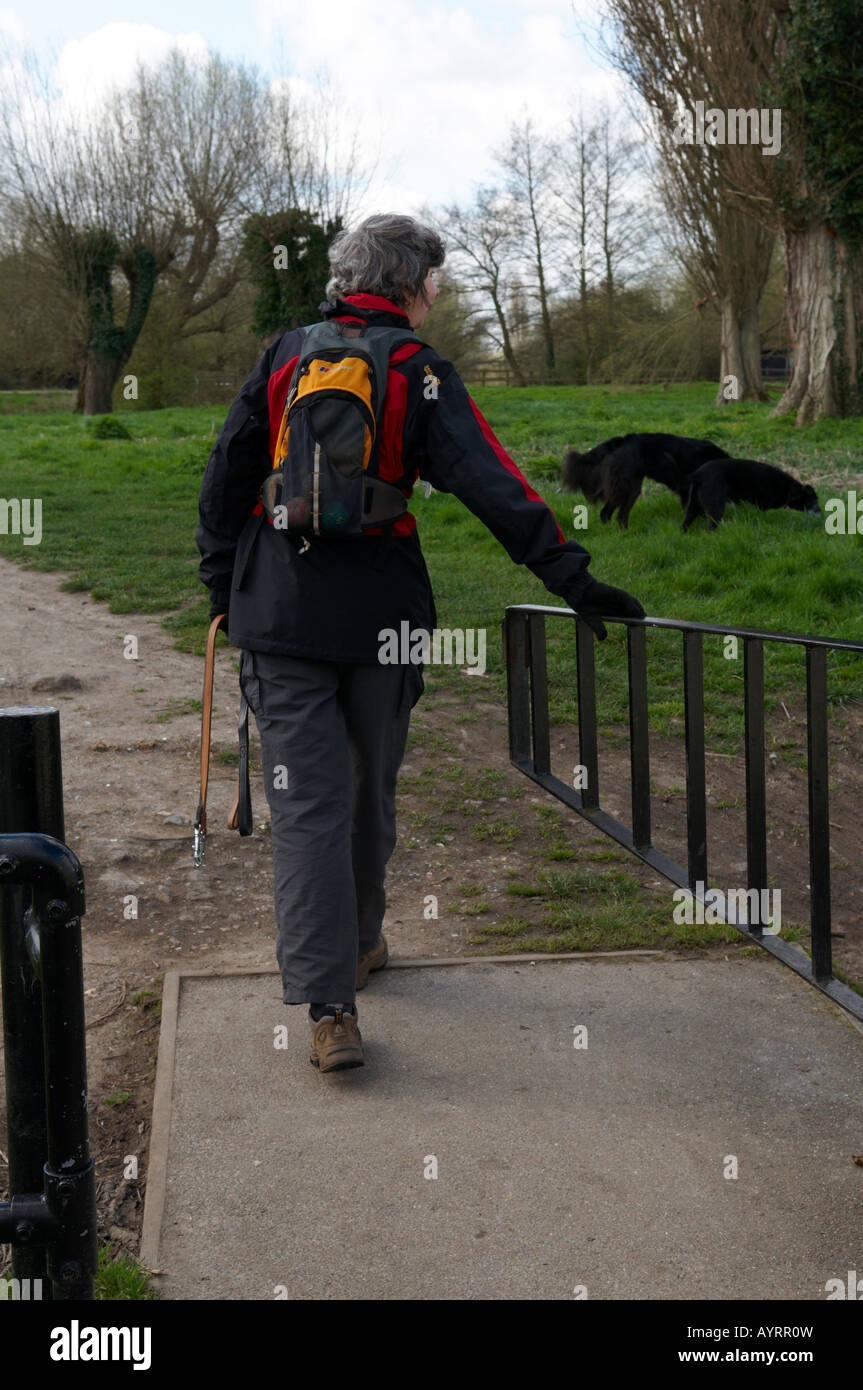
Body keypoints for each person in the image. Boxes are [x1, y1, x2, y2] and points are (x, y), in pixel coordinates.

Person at [196, 213, 644, 1074]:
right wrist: (574, 580)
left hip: (278, 614)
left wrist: (227, 588)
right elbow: (492, 484)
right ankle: (360, 942)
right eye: (434, 284)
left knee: (306, 808)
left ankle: (331, 1008)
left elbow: (224, 475)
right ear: (412, 286)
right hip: (384, 619)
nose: (435, 298)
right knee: (368, 794)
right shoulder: (418, 370)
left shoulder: (286, 353)